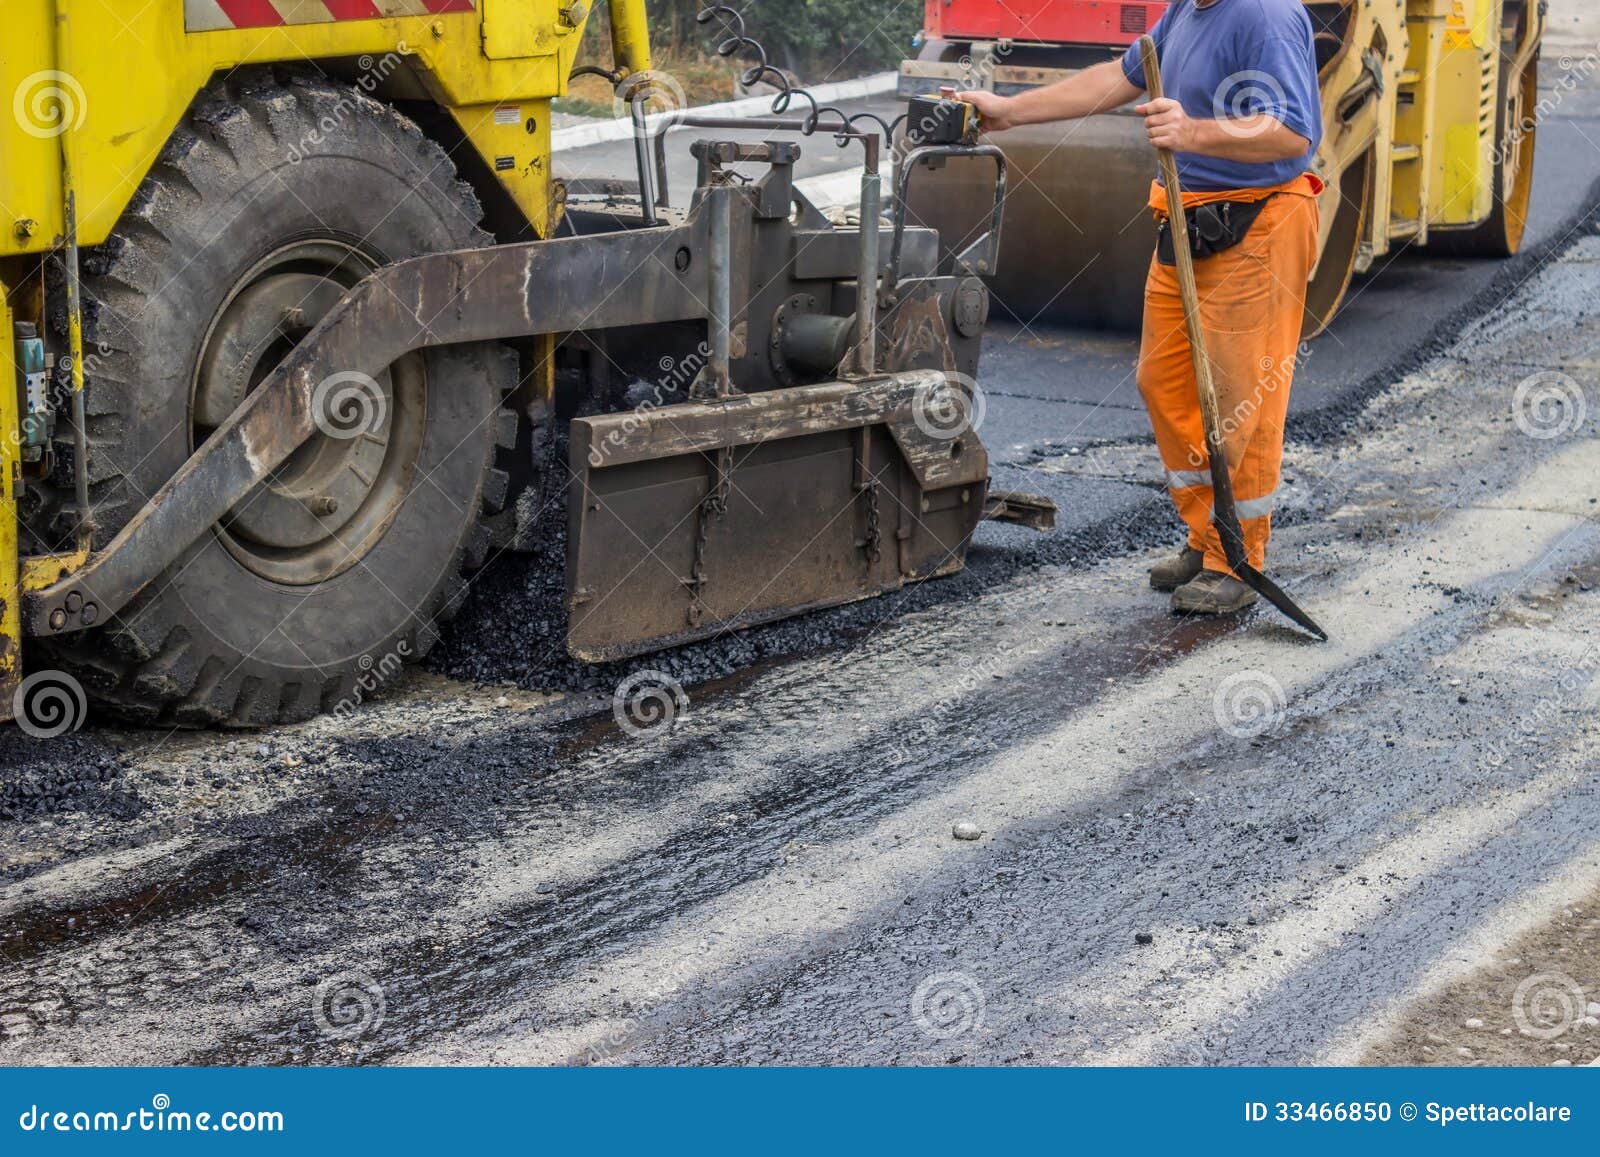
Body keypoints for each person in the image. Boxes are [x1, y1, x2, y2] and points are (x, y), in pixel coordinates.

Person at [959, 0, 1323, 614]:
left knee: (1239, 400)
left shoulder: (1264, 14)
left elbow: (1291, 131)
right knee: (1166, 384)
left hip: (1258, 223)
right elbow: (1118, 77)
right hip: (1186, 218)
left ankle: (1237, 557)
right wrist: (1009, 112)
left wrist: (1195, 132)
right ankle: (1207, 535)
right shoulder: (1187, 9)